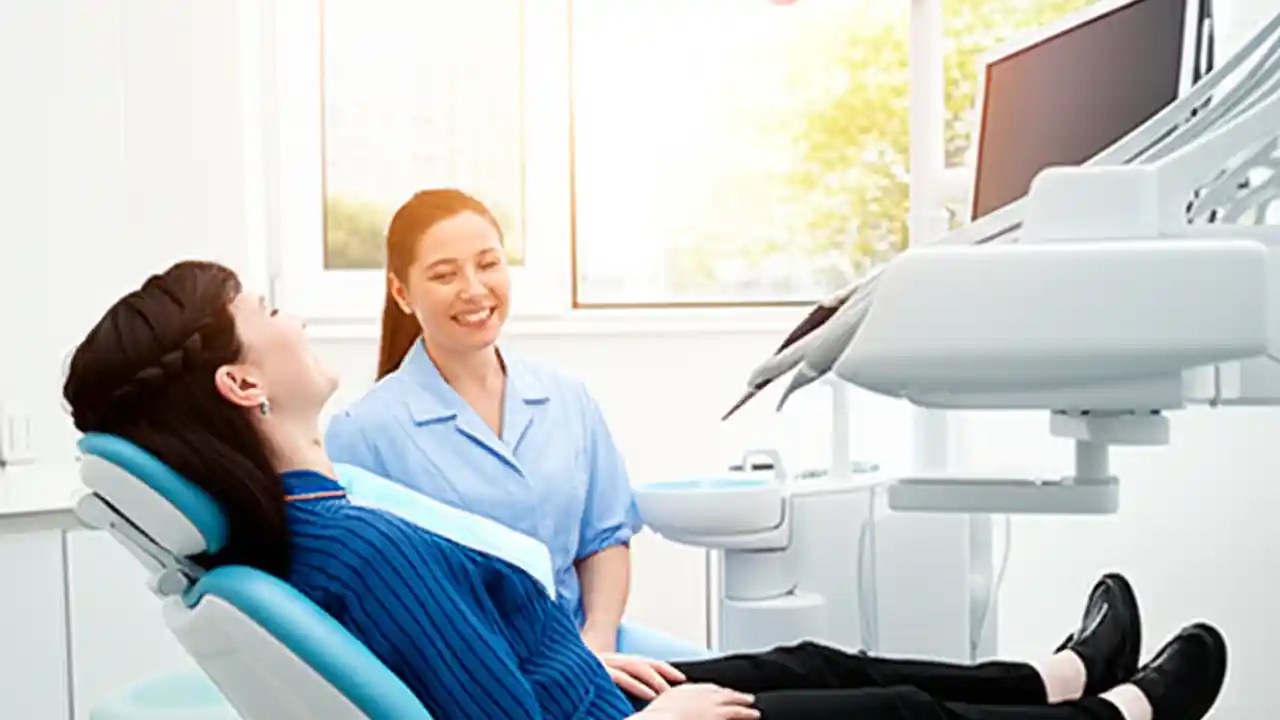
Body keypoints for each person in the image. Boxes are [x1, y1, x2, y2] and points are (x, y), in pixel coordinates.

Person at [62, 260, 1229, 720]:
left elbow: (492, 652)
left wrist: (580, 656)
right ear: (239, 382)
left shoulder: (317, 523)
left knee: (820, 665)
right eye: (268, 316)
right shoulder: (351, 545)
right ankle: (1115, 719)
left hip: (596, 689)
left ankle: (1059, 674)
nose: (295, 315)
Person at [323, 188, 641, 652]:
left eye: (488, 264)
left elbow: (604, 537)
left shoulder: (567, 399)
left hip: (591, 654)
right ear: (401, 293)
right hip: (472, 679)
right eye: (444, 274)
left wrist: (598, 641)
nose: (473, 289)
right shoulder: (363, 432)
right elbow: (368, 597)